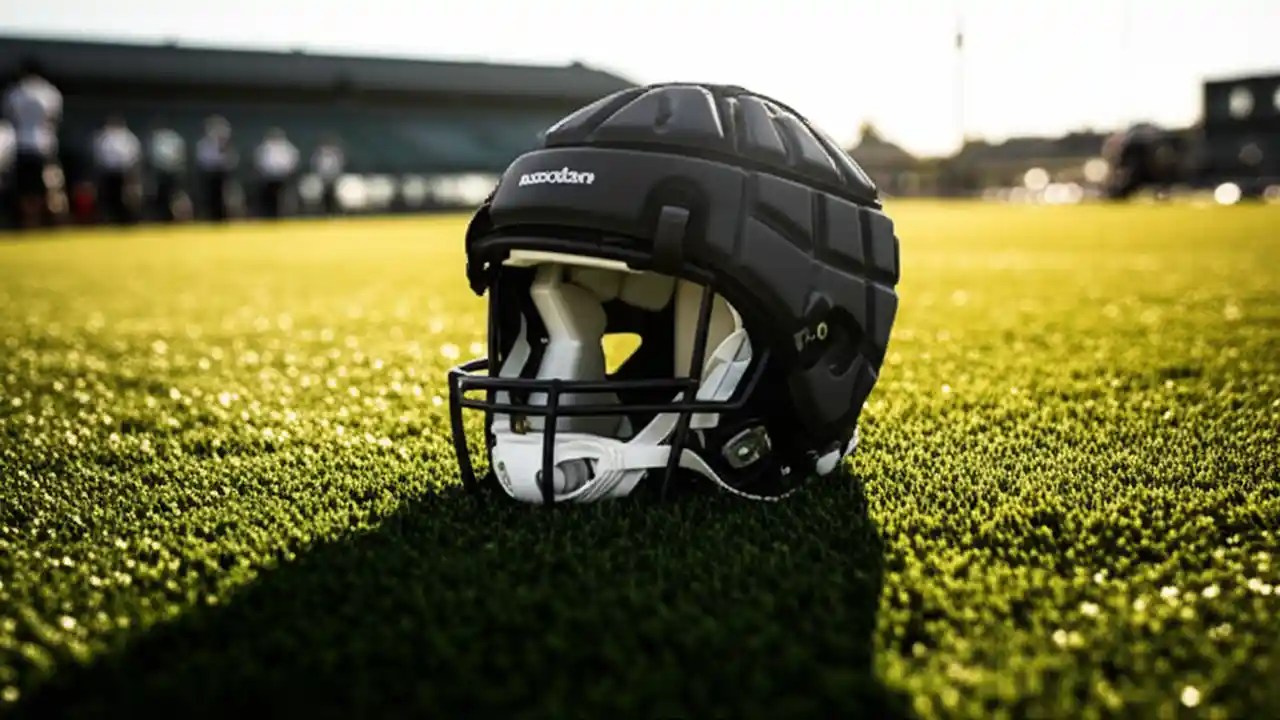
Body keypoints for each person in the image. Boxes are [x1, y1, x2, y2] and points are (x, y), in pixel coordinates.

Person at [2, 58, 63, 229]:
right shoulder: (50, 92)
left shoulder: (15, 92)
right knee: (47, 187)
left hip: (22, 145)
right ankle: (43, 221)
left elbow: (10, 118)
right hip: (43, 145)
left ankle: (30, 221)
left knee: (26, 189)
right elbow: (54, 119)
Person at [91, 115, 143, 225]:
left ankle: (126, 220)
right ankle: (111, 219)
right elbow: (98, 155)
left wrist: (133, 173)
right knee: (109, 197)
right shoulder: (104, 136)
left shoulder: (127, 137)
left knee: (126, 198)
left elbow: (134, 155)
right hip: (108, 173)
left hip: (124, 172)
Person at [195, 115, 237, 222]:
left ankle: (223, 217)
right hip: (209, 173)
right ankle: (210, 217)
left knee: (224, 197)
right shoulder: (204, 143)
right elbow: (203, 159)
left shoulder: (226, 145)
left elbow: (231, 159)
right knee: (210, 197)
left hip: (222, 173)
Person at [253, 127, 299, 218]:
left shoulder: (287, 147)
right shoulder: (265, 147)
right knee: (269, 199)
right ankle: (269, 216)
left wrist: (287, 171)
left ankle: (284, 215)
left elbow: (293, 160)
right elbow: (259, 161)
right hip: (268, 179)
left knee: (283, 198)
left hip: (283, 178)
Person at [148, 123, 190, 222]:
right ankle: (163, 217)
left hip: (174, 172)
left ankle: (179, 218)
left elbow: (179, 155)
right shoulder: (157, 139)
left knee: (176, 197)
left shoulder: (173, 138)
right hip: (161, 174)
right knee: (162, 197)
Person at [311, 134, 345, 215]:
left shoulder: (335, 154)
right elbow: (316, 165)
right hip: (323, 178)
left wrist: (335, 175)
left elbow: (339, 165)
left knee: (333, 195)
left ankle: (334, 212)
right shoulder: (320, 154)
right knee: (324, 196)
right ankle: (324, 212)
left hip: (333, 178)